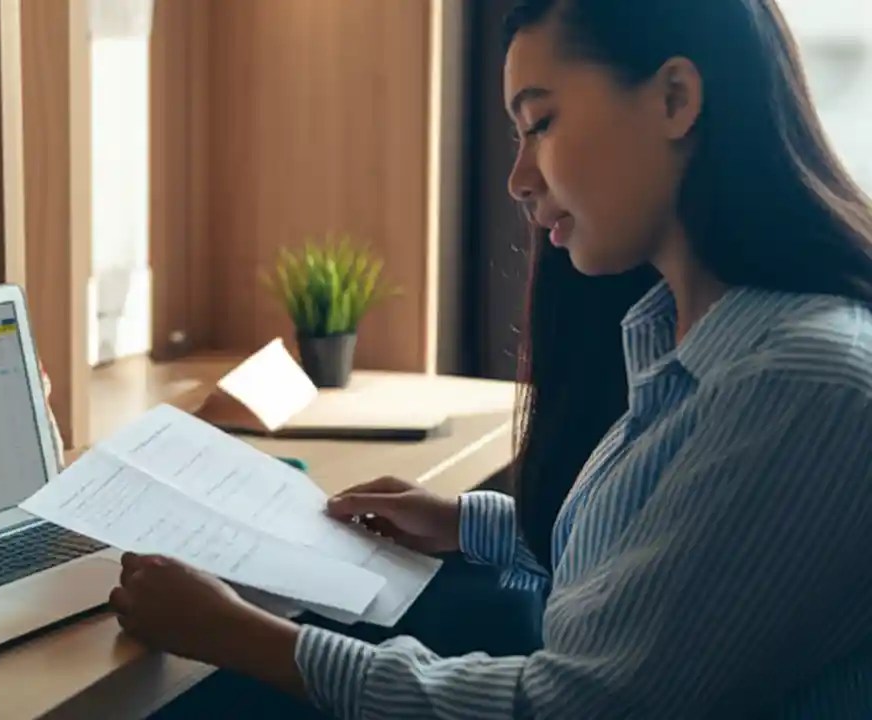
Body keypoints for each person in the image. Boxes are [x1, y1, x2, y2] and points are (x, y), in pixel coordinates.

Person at [109, 0, 872, 716]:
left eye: (539, 123)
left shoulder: (798, 384)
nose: (518, 178)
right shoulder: (694, 338)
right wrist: (472, 522)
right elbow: (676, 563)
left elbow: (567, 706)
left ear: (674, 99)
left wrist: (241, 635)